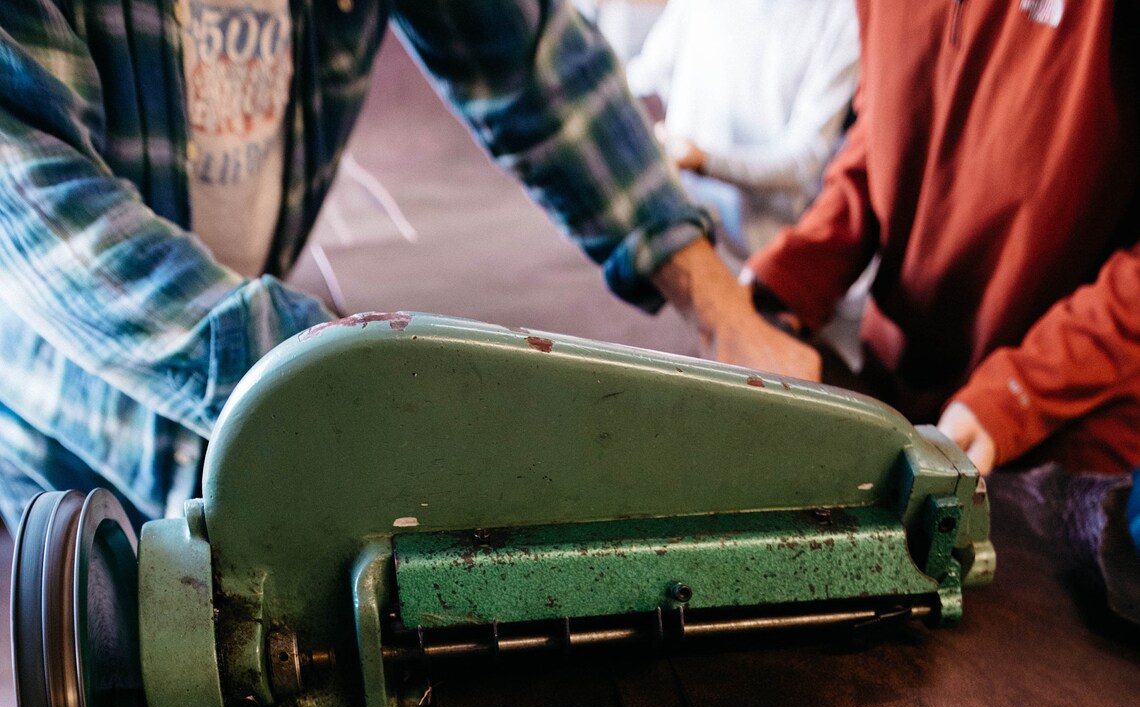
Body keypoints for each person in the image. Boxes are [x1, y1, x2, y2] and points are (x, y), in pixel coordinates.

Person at [0, 0, 818, 535]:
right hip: (76, 396)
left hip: (266, 356)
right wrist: (352, 386)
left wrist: (720, 307)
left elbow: (528, 62)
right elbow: (53, 213)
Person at [744, 0, 1140, 477]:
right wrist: (791, 275)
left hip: (1062, 431)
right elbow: (886, 125)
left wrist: (1019, 392)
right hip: (897, 388)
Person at [627, 0, 860, 255]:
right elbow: (646, 77)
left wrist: (704, 160)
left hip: (760, 247)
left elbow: (805, 160)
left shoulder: (841, 15)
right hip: (674, 226)